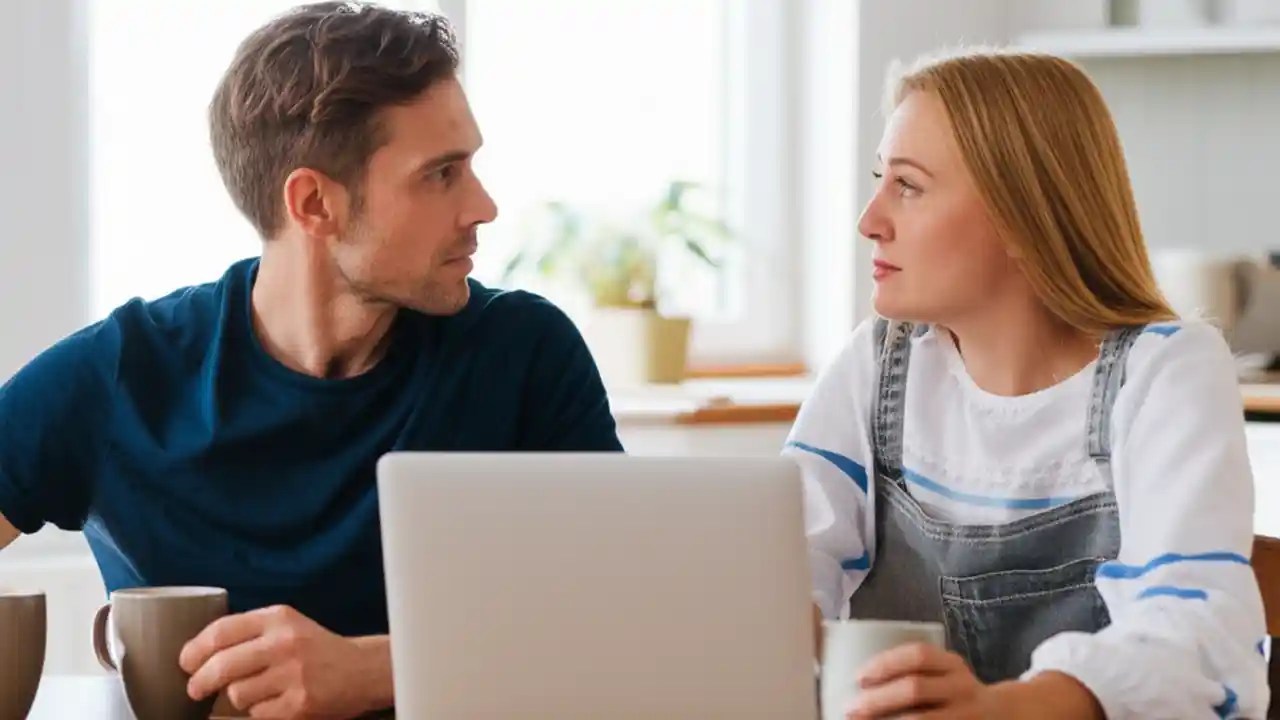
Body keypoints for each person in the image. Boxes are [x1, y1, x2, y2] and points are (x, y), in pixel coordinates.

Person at [0, 2, 622, 717]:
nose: (483, 206)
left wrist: (375, 669)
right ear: (315, 203)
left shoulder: (524, 354)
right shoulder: (122, 374)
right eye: (442, 175)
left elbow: (624, 625)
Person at [786, 49, 1266, 719]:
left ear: (1021, 215)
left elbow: (1199, 639)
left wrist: (1006, 707)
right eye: (879, 181)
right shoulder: (876, 365)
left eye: (909, 186)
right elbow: (782, 565)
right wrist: (774, 622)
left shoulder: (1165, 373)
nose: (869, 220)